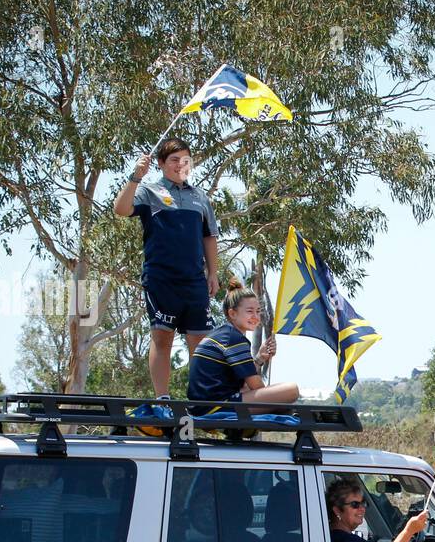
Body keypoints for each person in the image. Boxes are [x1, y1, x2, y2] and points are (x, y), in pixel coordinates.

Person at [113, 138, 220, 402]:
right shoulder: (149, 191)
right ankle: (162, 398)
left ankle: (201, 401)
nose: (180, 165)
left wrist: (213, 272)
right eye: (174, 160)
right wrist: (135, 177)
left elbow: (209, 237)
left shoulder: (199, 197)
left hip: (194, 280)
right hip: (161, 278)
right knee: (162, 338)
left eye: (185, 160)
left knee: (201, 342)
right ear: (160, 164)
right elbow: (121, 209)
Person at [188, 279, 300, 405]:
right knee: (291, 390)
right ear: (233, 313)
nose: (256, 317)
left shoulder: (224, 334)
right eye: (250, 311)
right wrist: (277, 399)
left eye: (258, 311)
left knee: (281, 401)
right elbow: (256, 387)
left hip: (203, 405)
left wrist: (259, 359)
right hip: (214, 406)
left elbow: (245, 381)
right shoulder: (233, 338)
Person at [326, 476, 428, 542]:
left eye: (363, 503)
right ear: (337, 510)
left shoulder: (332, 537)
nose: (362, 509)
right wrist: (409, 531)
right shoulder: (343, 540)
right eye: (355, 504)